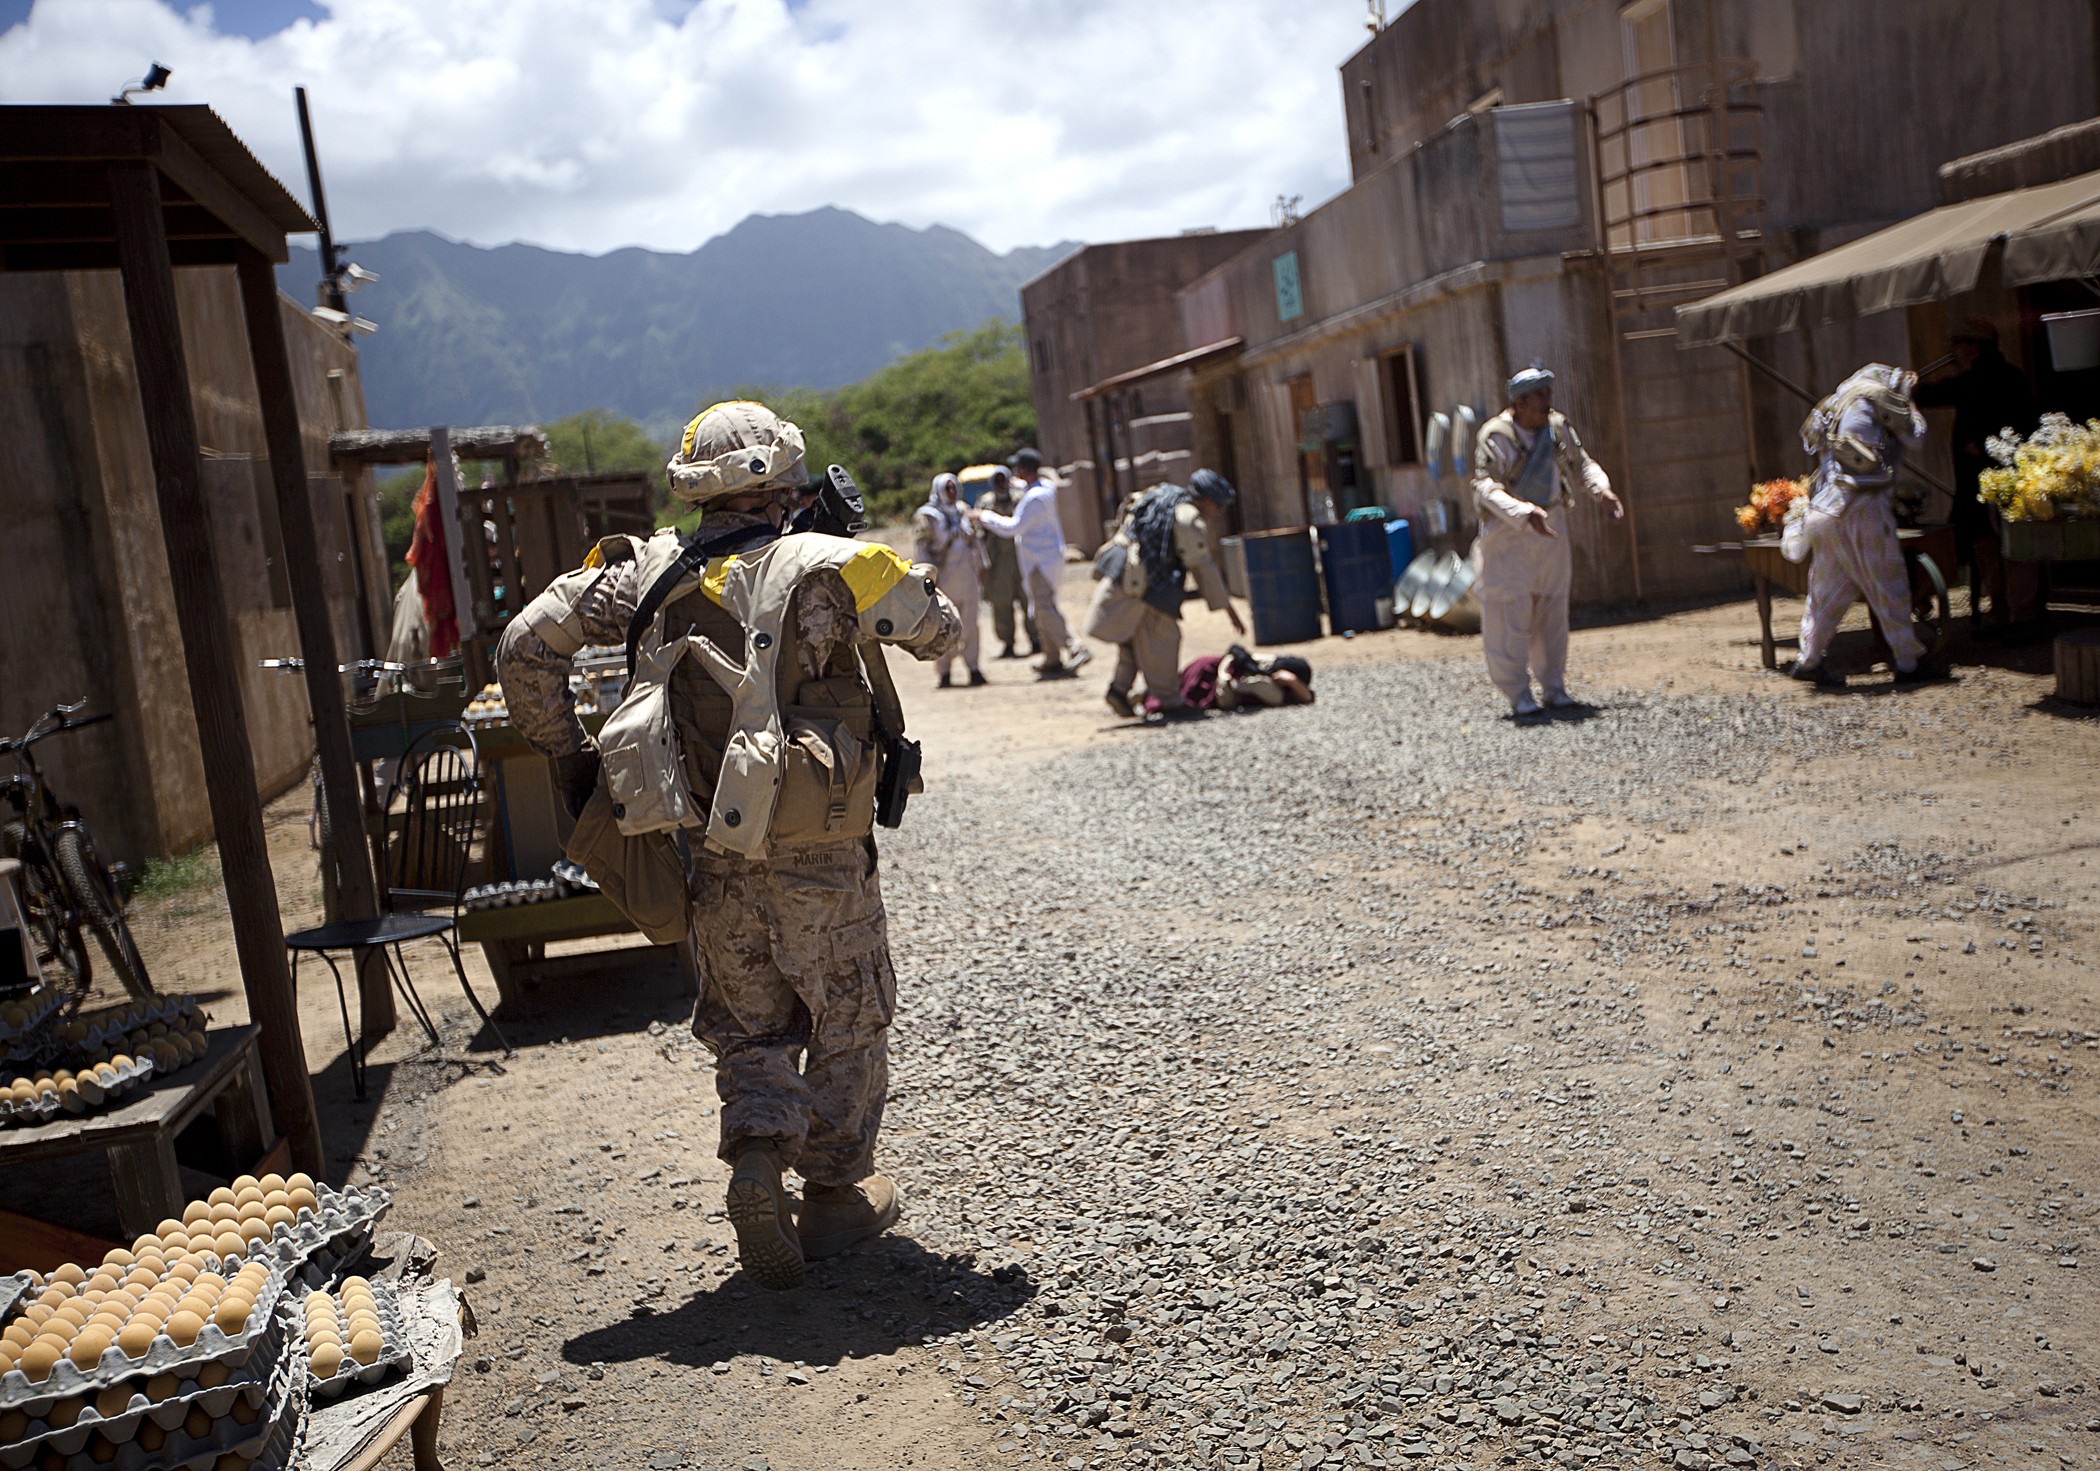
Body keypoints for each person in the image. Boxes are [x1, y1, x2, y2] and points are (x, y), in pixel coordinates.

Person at [497, 400, 961, 1292]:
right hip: (825, 858)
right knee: (850, 1015)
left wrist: (571, 754)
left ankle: (756, 1160)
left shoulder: (639, 573)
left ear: (695, 488)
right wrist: (852, 567)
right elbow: (941, 632)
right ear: (785, 479)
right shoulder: (840, 566)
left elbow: (523, 649)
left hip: (708, 854)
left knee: (750, 1027)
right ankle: (831, 1195)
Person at [1470, 364, 1623, 715]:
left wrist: (1603, 491)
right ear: (1519, 403)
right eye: (1539, 395)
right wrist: (1524, 514)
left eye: (1548, 393)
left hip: (1552, 528)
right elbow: (1486, 487)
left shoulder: (1557, 428)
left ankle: (1553, 686)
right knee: (1511, 613)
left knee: (1552, 610)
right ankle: (1517, 693)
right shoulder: (1496, 436)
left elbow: (1581, 463)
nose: (1546, 401)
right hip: (1510, 535)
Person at [1790, 364, 1935, 688]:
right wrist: (1911, 405)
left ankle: (1808, 660)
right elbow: (1917, 438)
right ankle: (1909, 662)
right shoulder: (1879, 397)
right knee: (1889, 585)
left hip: (1825, 510)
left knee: (1825, 591)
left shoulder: (1836, 402)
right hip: (1863, 507)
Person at [1914, 318, 2042, 634]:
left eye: (1958, 344)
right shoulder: (1979, 377)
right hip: (1980, 482)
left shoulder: (1997, 378)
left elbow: (2024, 425)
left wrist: (1984, 448)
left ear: (1973, 346)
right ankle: (2004, 612)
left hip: (2003, 479)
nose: (1953, 351)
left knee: (2012, 548)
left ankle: (2018, 614)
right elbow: (1934, 394)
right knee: (1989, 548)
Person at [1084, 469, 1244, 720]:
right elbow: (1202, 565)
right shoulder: (1189, 517)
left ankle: (1118, 690)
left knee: (1133, 638)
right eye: (1219, 507)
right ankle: (1171, 702)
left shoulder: (1163, 494)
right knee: (1163, 640)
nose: (1218, 513)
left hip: (1123, 574)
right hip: (1148, 584)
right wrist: (1228, 608)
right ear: (1209, 501)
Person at [970, 448, 1091, 677]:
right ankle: (1052, 658)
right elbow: (1030, 485)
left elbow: (1013, 527)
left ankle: (1075, 646)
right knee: (1039, 608)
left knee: (1044, 607)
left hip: (1039, 561)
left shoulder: (1034, 498)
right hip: (1045, 558)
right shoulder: (1043, 488)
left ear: (1024, 469)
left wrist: (982, 517)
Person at [912, 473, 985, 687]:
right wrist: (928, 577)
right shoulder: (928, 516)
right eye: (948, 488)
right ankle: (944, 672)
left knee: (970, 624)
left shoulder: (965, 511)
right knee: (944, 625)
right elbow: (921, 548)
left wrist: (983, 566)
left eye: (954, 488)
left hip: (968, 576)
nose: (952, 493)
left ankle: (973, 667)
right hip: (944, 578)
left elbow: (977, 542)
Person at [974, 467, 1039, 659]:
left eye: (1004, 480)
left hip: (1021, 555)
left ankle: (1036, 639)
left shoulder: (1020, 499)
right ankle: (1007, 642)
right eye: (998, 481)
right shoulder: (985, 503)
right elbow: (980, 532)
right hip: (999, 560)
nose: (1002, 484)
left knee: (1029, 599)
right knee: (1001, 603)